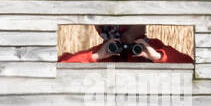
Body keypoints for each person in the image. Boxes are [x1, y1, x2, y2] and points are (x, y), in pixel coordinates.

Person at [58, 24, 193, 63]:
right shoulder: (104, 51)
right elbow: (62, 65)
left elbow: (189, 64)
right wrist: (96, 57)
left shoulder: (153, 48)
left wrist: (157, 56)